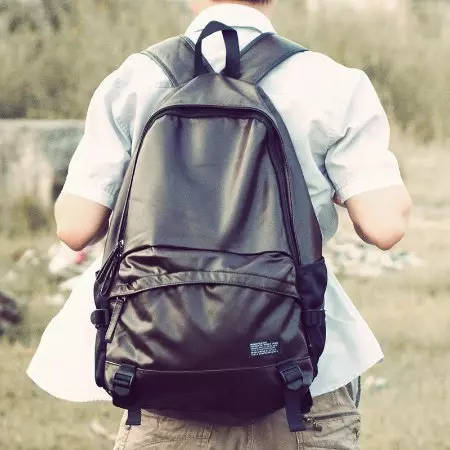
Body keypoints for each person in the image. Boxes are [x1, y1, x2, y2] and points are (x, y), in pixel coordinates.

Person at [33, 0, 412, 448]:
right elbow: (385, 226)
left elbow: (75, 227)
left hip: (159, 365)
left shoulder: (134, 81)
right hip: (300, 375)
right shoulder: (333, 84)